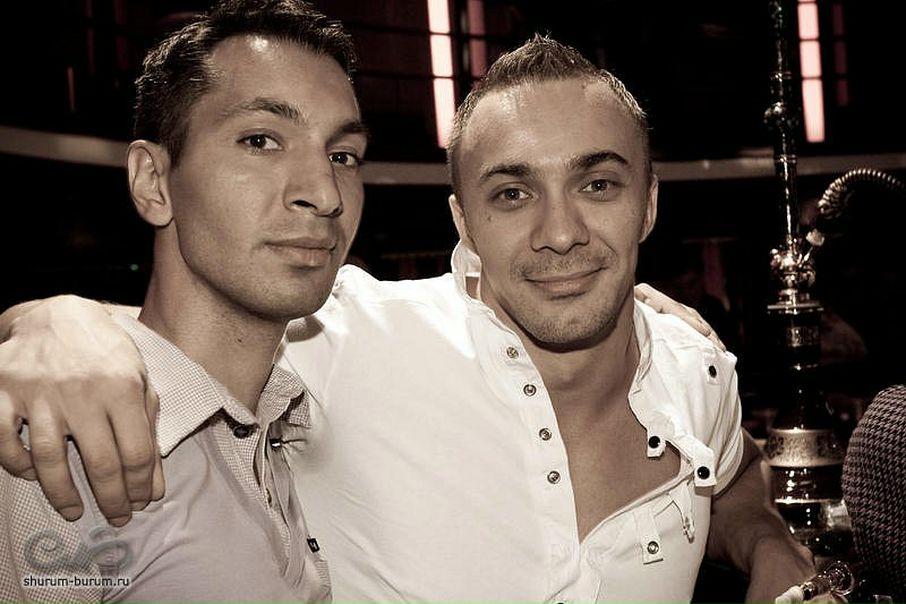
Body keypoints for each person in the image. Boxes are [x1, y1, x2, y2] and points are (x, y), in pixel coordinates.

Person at [0, 34, 814, 604]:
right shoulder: (342, 338)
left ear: (649, 203)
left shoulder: (696, 366)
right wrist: (50, 319)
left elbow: (732, 473)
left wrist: (767, 542)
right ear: (464, 223)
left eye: (598, 185)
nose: (562, 233)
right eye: (512, 193)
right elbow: (206, 329)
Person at [0, 0, 369, 601]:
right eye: (261, 140)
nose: (326, 194)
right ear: (153, 183)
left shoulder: (291, 406)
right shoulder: (53, 439)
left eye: (342, 155)